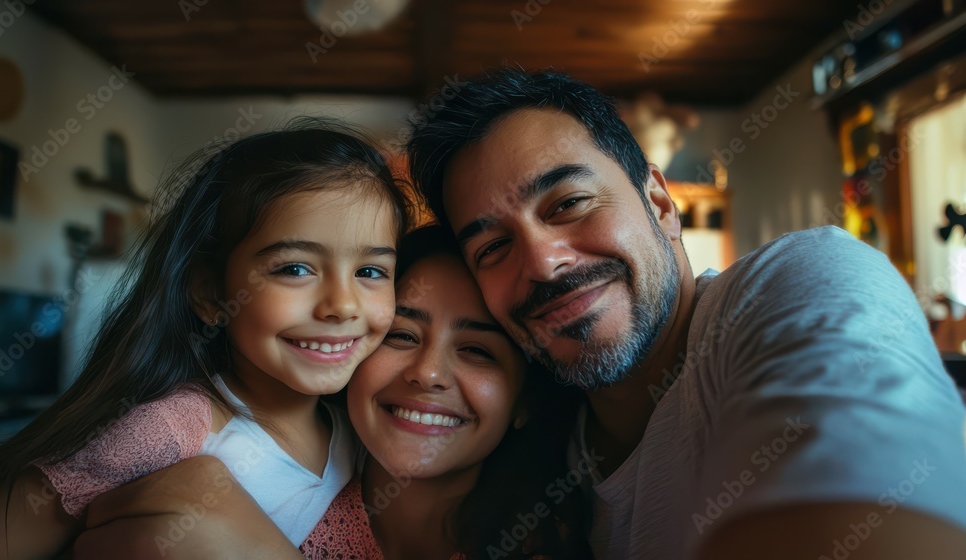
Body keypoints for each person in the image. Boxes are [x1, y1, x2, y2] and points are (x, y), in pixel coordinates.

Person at [403, 68, 966, 559]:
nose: (544, 264)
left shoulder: (800, 281)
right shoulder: (528, 439)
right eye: (492, 248)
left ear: (660, 203)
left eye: (569, 203)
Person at [0, 119, 410, 559]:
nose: (343, 305)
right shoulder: (167, 429)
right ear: (210, 294)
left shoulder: (361, 429)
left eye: (370, 272)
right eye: (294, 268)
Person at [71, 225, 589, 560]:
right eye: (401, 336)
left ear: (525, 400)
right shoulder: (253, 468)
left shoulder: (549, 543)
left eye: (478, 351)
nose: (428, 374)